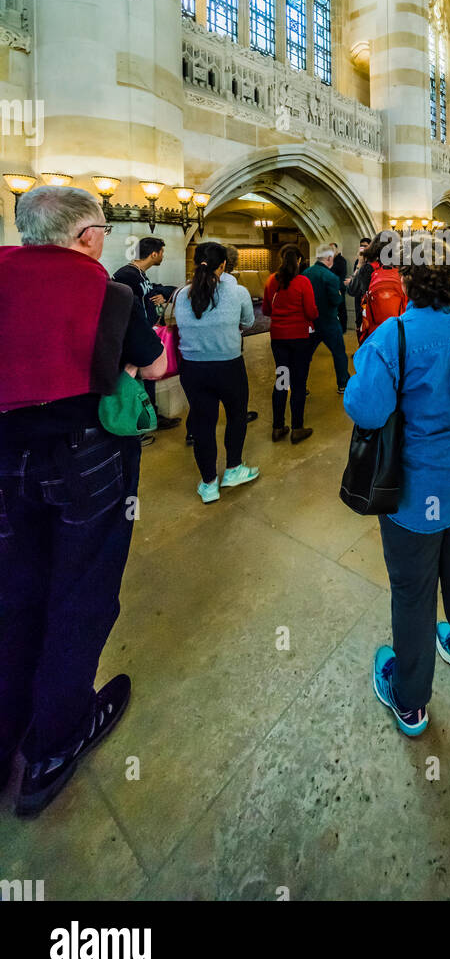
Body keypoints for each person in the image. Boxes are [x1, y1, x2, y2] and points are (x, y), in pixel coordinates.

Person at [0, 185, 166, 816]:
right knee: (82, 589)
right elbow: (153, 368)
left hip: (4, 456)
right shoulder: (108, 291)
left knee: (14, 591)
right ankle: (54, 742)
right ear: (86, 235)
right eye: (102, 228)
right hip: (82, 459)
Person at [344, 238, 450, 738]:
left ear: (409, 281)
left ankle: (410, 699)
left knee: (413, 591)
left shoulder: (396, 336)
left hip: (415, 489)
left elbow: (365, 410)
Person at [173, 241, 259, 503]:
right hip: (229, 365)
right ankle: (233, 469)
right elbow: (248, 322)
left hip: (193, 368)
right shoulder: (239, 292)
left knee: (203, 424)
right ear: (224, 265)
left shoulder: (181, 295)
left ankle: (209, 483)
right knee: (236, 416)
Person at [113, 237, 181, 430]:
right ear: (154, 254)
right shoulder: (127, 275)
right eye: (162, 252)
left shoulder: (139, 274)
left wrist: (163, 295)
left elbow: (151, 291)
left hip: (145, 335)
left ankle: (151, 417)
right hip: (136, 337)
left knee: (148, 380)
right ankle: (138, 420)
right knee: (137, 380)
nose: (163, 256)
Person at [262, 244, 317, 444]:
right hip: (300, 338)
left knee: (281, 381)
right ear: (299, 260)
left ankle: (278, 427)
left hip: (278, 338)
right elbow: (311, 312)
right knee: (299, 383)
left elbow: (266, 309)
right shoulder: (303, 282)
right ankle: (297, 428)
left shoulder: (271, 281)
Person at [346, 232, 406, 344]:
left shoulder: (368, 268)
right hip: (398, 324)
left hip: (370, 326)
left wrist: (359, 264)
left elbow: (352, 290)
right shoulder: (402, 268)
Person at [305, 245, 350, 392]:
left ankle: (300, 385)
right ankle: (343, 384)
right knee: (339, 353)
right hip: (329, 321)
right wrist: (339, 292)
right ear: (329, 258)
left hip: (310, 322)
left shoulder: (305, 274)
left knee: (305, 356)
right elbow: (336, 300)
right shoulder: (331, 277)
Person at [223, 244, 258, 425]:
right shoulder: (237, 290)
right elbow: (248, 322)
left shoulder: (188, 290)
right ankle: (238, 417)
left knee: (201, 403)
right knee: (235, 389)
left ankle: (192, 431)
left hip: (195, 358)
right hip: (229, 349)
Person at [347, 238, 370, 340]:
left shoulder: (372, 263)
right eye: (361, 246)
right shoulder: (358, 261)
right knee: (359, 322)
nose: (363, 248)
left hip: (368, 298)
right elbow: (354, 283)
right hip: (358, 297)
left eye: (365, 246)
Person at [330, 242, 348, 332]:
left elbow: (342, 275)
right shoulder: (330, 260)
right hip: (331, 287)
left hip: (339, 287)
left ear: (337, 249)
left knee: (341, 309)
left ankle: (343, 328)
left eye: (333, 249)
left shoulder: (341, 260)